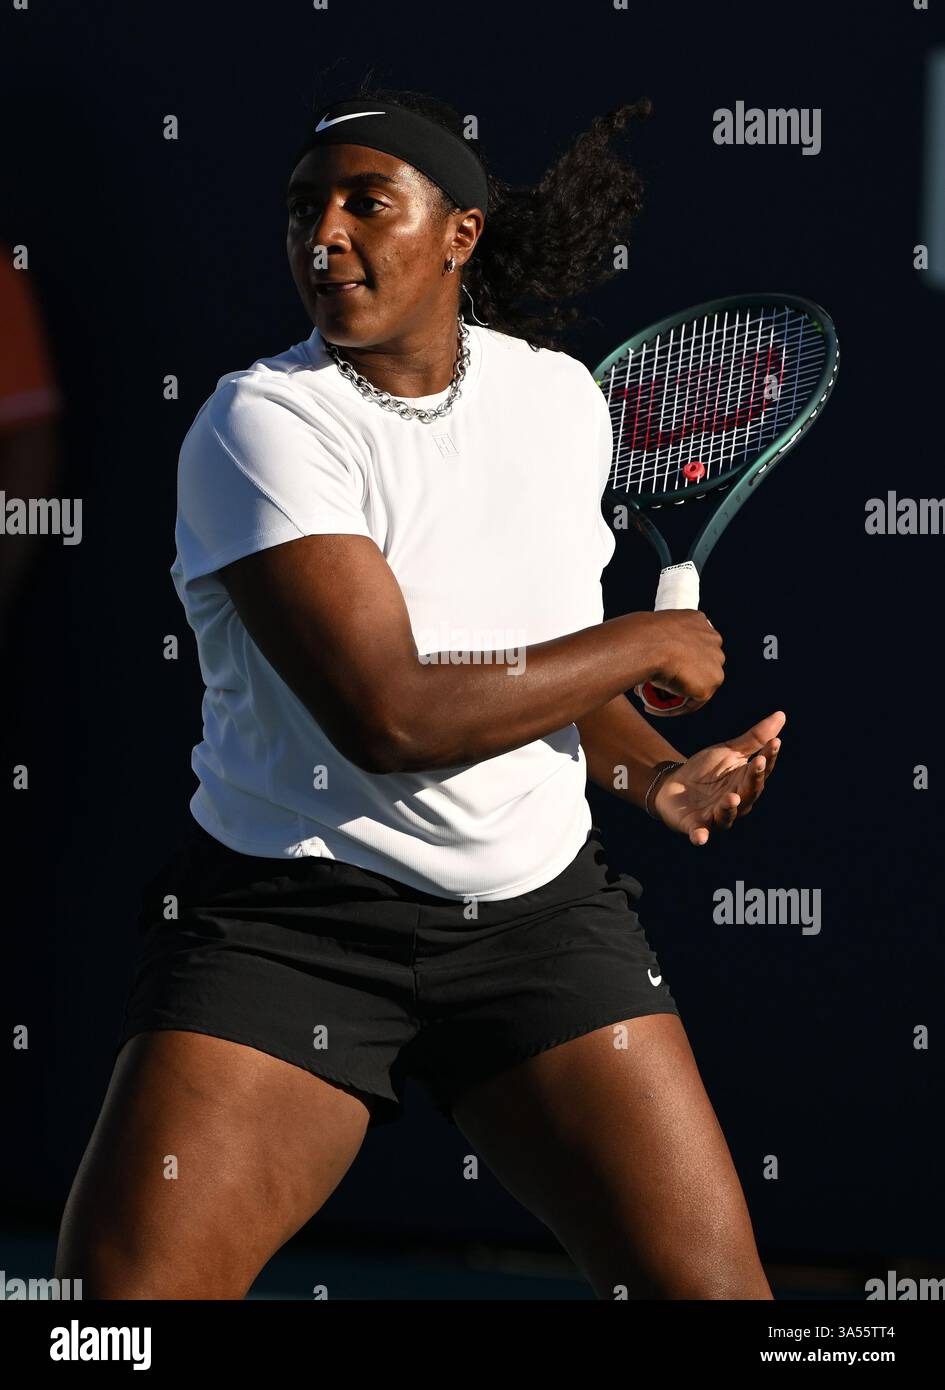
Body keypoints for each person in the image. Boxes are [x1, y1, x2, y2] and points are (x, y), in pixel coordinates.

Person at [55, 80, 785, 1300]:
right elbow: (390, 714)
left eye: (364, 202)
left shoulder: (558, 404)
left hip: (540, 925)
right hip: (293, 928)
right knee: (114, 1324)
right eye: (303, 210)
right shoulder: (262, 425)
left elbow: (531, 662)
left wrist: (648, 774)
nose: (322, 234)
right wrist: (640, 648)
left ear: (460, 234)